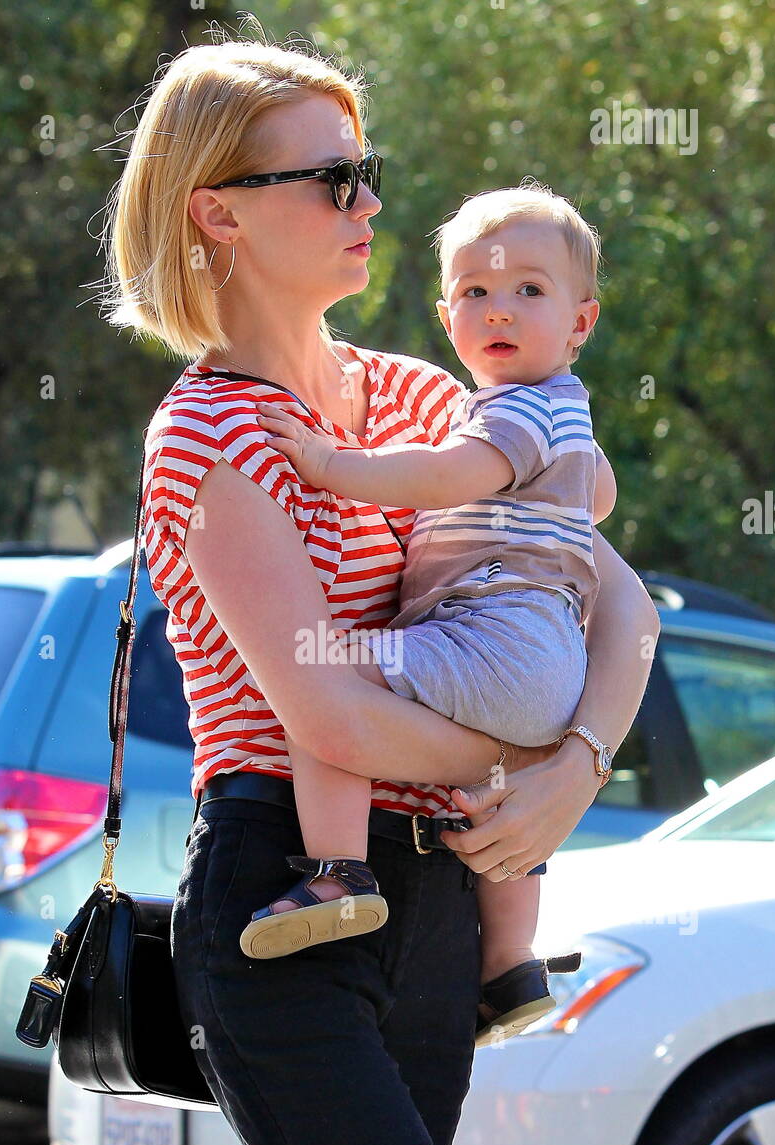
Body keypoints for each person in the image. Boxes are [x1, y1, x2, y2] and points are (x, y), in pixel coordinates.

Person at [103, 33, 660, 1145]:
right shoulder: (208, 432)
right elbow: (329, 713)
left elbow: (621, 609)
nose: (369, 205)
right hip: (282, 892)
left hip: (439, 903)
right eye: (331, 178)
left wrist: (573, 769)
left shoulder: (430, 405)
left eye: (369, 172)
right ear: (218, 216)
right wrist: (529, 760)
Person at [243, 181, 614, 1048]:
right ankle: (511, 960)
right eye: (477, 292)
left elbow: (448, 476)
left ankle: (337, 874)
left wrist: (336, 465)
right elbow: (597, 498)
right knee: (487, 796)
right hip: (547, 666)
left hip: (497, 638)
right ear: (448, 319)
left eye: (530, 289)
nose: (501, 309)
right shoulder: (567, 418)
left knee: (322, 681)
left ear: (580, 325)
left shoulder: (519, 411)